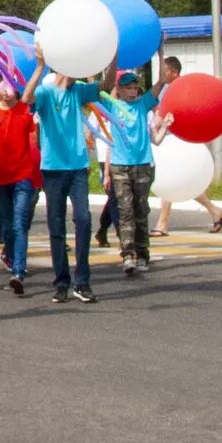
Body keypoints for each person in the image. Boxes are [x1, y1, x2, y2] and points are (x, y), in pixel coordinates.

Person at [30, 58, 99, 304]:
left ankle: (82, 282)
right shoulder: (46, 92)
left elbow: (104, 85)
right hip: (53, 169)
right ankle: (61, 282)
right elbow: (27, 100)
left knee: (84, 219)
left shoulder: (78, 91)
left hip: (78, 167)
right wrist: (39, 66)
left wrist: (107, 55)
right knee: (56, 227)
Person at [95, 66, 160, 278]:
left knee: (141, 210)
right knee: (125, 211)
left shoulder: (142, 105)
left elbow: (159, 86)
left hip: (142, 164)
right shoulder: (112, 106)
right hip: (119, 166)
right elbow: (96, 88)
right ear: (119, 90)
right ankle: (128, 255)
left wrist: (160, 53)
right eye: (128, 88)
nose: (133, 91)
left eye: (135, 88)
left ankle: (142, 253)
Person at [0, 80, 39, 295]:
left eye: (8, 86)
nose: (4, 91)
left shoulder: (26, 111)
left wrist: (37, 173)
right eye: (0, 86)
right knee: (7, 224)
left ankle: (18, 272)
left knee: (20, 222)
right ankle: (11, 257)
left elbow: (34, 142)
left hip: (22, 175)